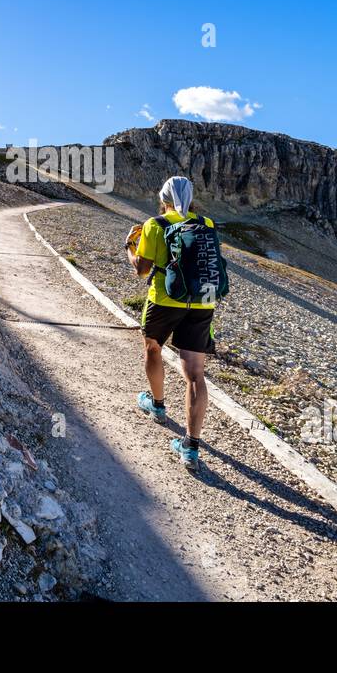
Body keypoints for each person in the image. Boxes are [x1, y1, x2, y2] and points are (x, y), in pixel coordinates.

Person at [124, 175, 223, 469]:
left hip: (165, 300)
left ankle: (157, 407)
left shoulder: (156, 224)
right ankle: (191, 447)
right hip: (203, 302)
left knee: (152, 348)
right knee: (195, 373)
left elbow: (142, 271)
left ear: (163, 198)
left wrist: (130, 245)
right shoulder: (207, 224)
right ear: (191, 197)